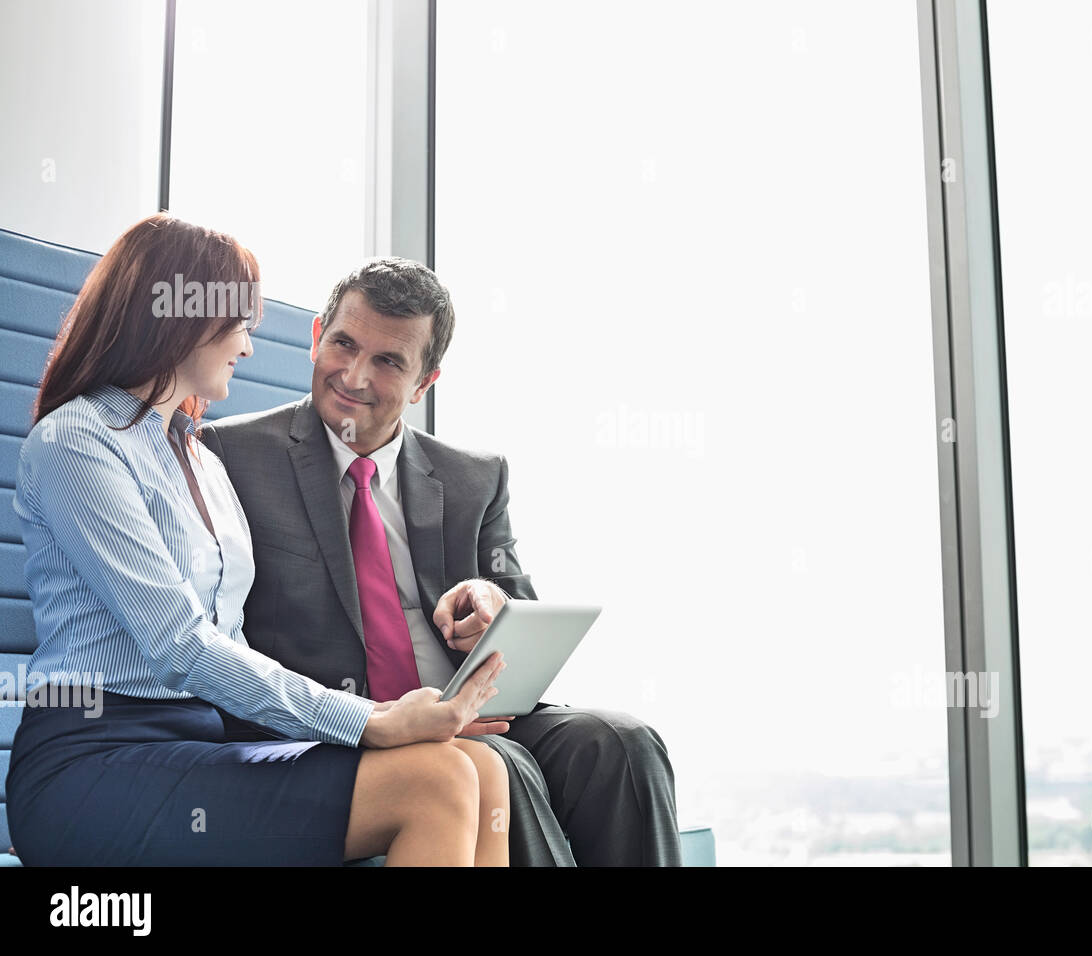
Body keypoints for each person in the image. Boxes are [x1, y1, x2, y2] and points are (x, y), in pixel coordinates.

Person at [4, 214, 512, 866]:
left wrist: (395, 718)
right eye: (239, 324)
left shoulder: (200, 459)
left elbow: (231, 642)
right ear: (181, 318)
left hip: (203, 744)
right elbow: (182, 645)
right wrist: (373, 722)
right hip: (94, 763)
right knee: (433, 783)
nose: (246, 347)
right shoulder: (78, 442)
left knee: (477, 765)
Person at [200, 257, 683, 866]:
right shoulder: (232, 455)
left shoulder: (473, 477)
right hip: (347, 723)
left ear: (425, 381)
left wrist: (493, 603)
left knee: (621, 743)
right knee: (499, 768)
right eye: (344, 344)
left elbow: (525, 628)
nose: (353, 375)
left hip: (469, 707)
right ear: (317, 334)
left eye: (388, 361)